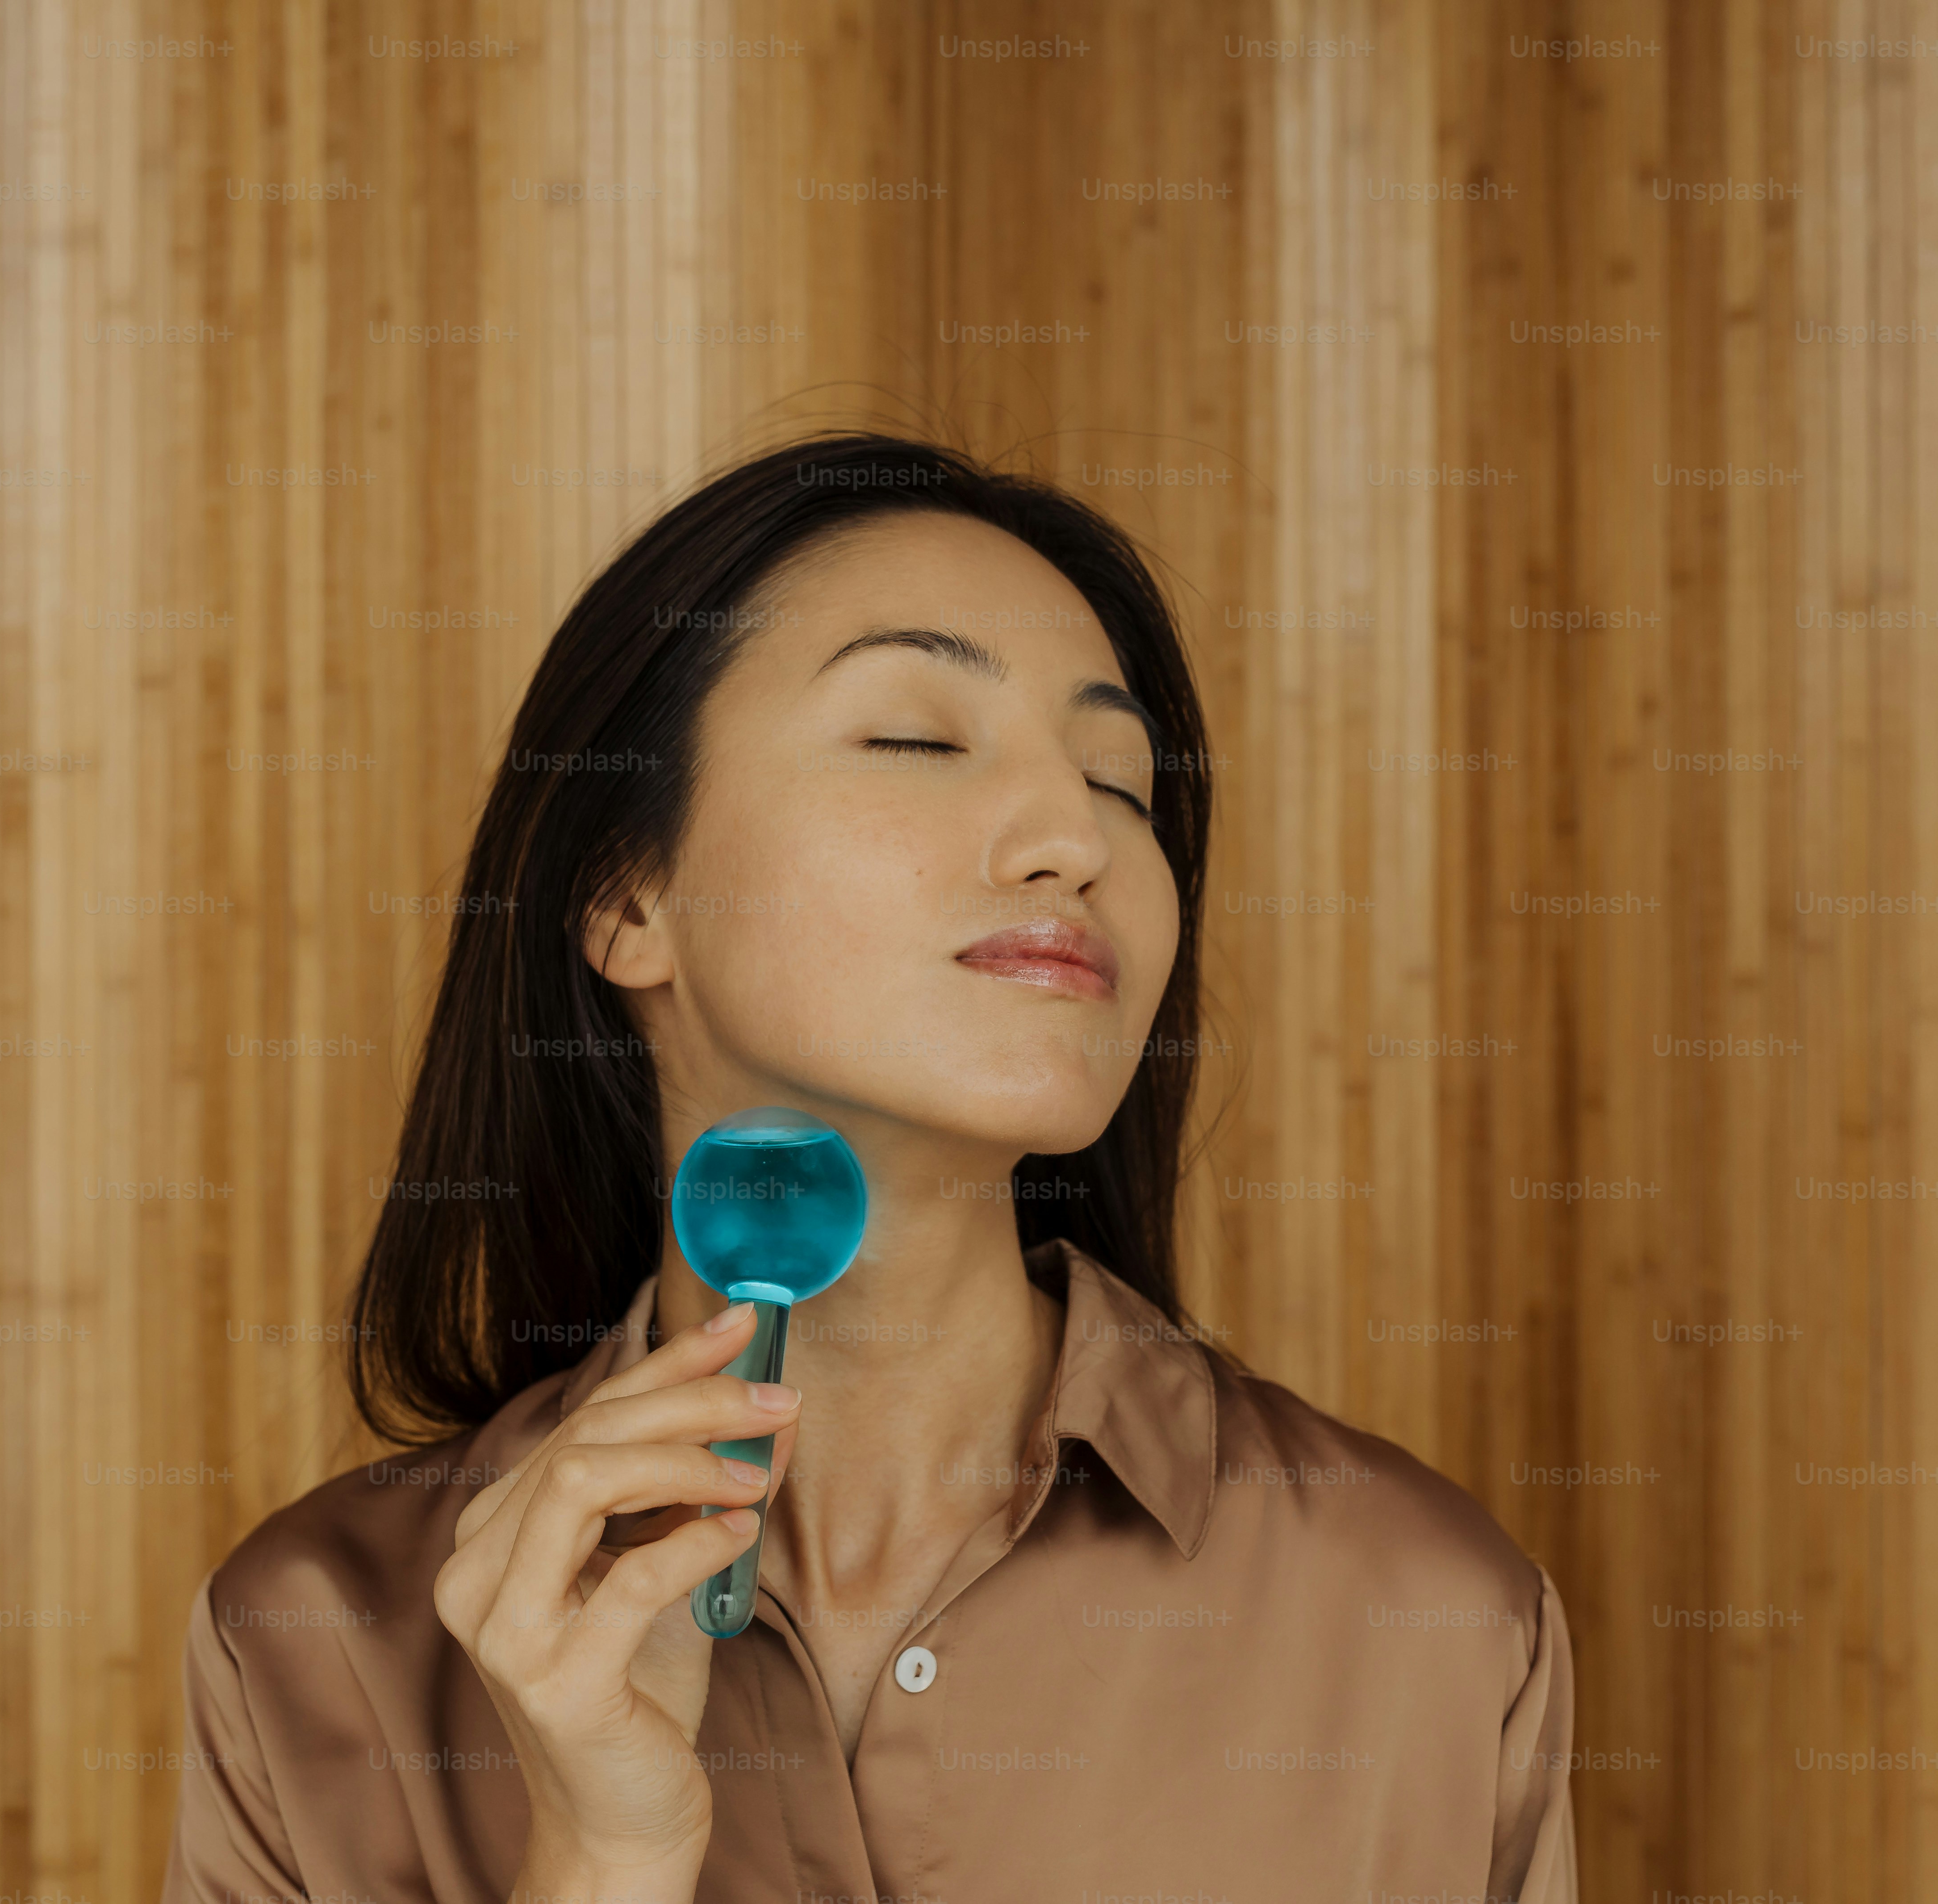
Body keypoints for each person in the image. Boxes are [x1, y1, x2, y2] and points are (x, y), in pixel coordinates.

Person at [160, 434, 1579, 1904]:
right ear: (625, 897)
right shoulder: (313, 1650)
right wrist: (604, 1863)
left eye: (1121, 783)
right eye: (915, 736)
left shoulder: (1431, 1626)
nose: (1070, 840)